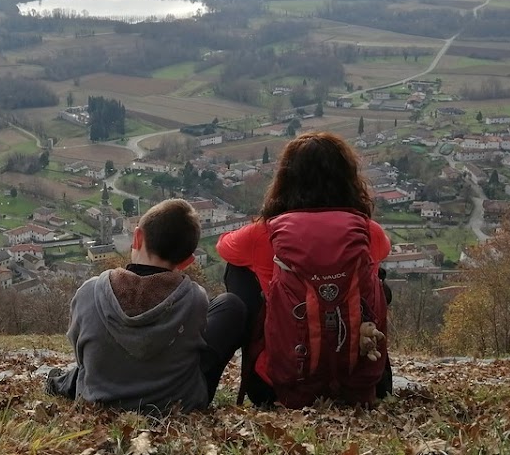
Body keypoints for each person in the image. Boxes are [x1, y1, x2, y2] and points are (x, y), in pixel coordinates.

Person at [218, 131, 392, 407]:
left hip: (276, 385)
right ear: (349, 179)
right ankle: (369, 359)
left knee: (237, 270)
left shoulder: (266, 233)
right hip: (359, 385)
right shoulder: (368, 232)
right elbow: (383, 252)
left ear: (285, 180)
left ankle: (257, 358)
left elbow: (224, 247)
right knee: (376, 278)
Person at [46, 198, 245, 413]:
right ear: (188, 261)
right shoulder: (195, 299)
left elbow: (82, 356)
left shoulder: (89, 292)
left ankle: (61, 382)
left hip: (99, 401)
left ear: (137, 237)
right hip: (178, 405)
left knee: (84, 367)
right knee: (231, 306)